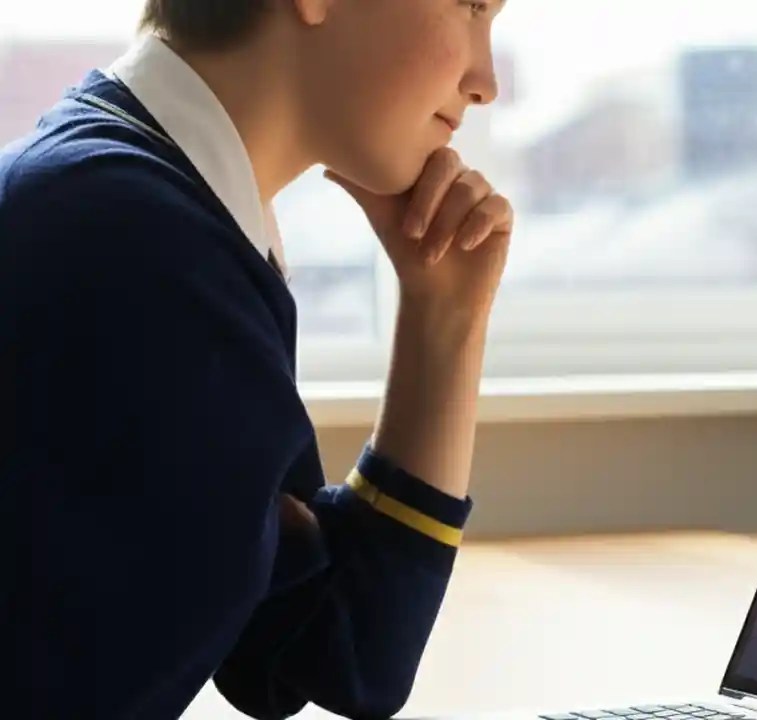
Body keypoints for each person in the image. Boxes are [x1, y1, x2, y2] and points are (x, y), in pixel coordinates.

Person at [0, 1, 513, 718]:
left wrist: (446, 317)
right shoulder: (139, 248)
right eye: (471, 6)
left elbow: (320, 650)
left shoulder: (148, 210)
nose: (486, 81)